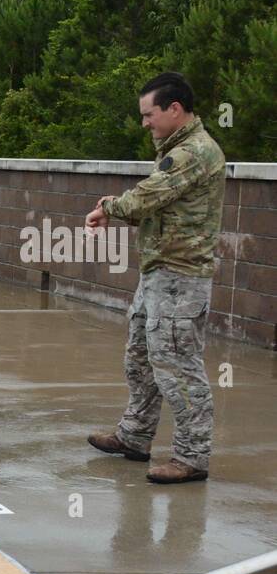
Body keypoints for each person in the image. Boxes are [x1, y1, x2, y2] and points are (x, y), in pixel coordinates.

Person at [84, 72, 226, 484]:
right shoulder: (178, 147)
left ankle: (192, 456)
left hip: (181, 278)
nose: (145, 122)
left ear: (175, 110)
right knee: (141, 358)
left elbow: (150, 195)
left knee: (177, 365)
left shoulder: (194, 152)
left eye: (149, 115)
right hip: (160, 273)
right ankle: (135, 436)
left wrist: (109, 206)